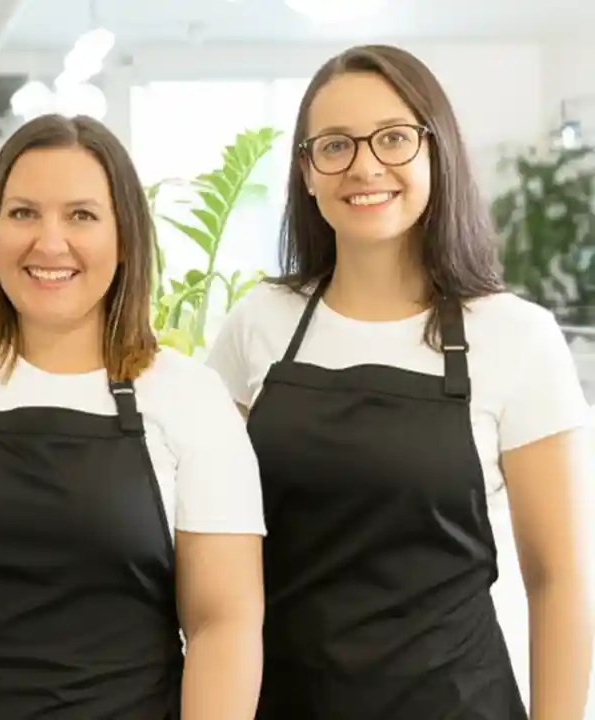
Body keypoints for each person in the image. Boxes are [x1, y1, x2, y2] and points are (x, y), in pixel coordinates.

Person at [0, 113, 268, 719]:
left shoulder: (189, 401)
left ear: (125, 237)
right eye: (23, 213)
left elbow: (224, 624)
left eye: (81, 215)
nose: (49, 242)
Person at [206, 44, 592, 719]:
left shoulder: (516, 336)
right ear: (307, 170)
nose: (364, 167)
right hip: (285, 702)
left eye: (393, 139)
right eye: (335, 146)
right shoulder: (259, 324)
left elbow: (558, 581)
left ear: (435, 151)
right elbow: (206, 536)